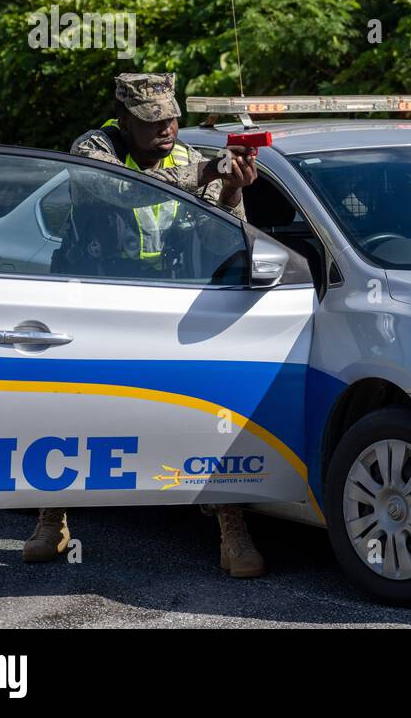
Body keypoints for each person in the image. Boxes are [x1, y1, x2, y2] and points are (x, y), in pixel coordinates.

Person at [22, 72, 267, 578]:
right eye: (153, 120)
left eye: (172, 117)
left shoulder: (188, 159)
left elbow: (226, 231)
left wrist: (231, 189)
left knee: (209, 413)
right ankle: (53, 519)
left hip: (168, 307)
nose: (166, 129)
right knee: (70, 413)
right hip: (94, 303)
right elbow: (122, 192)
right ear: (125, 120)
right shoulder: (93, 147)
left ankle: (232, 532)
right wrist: (205, 176)